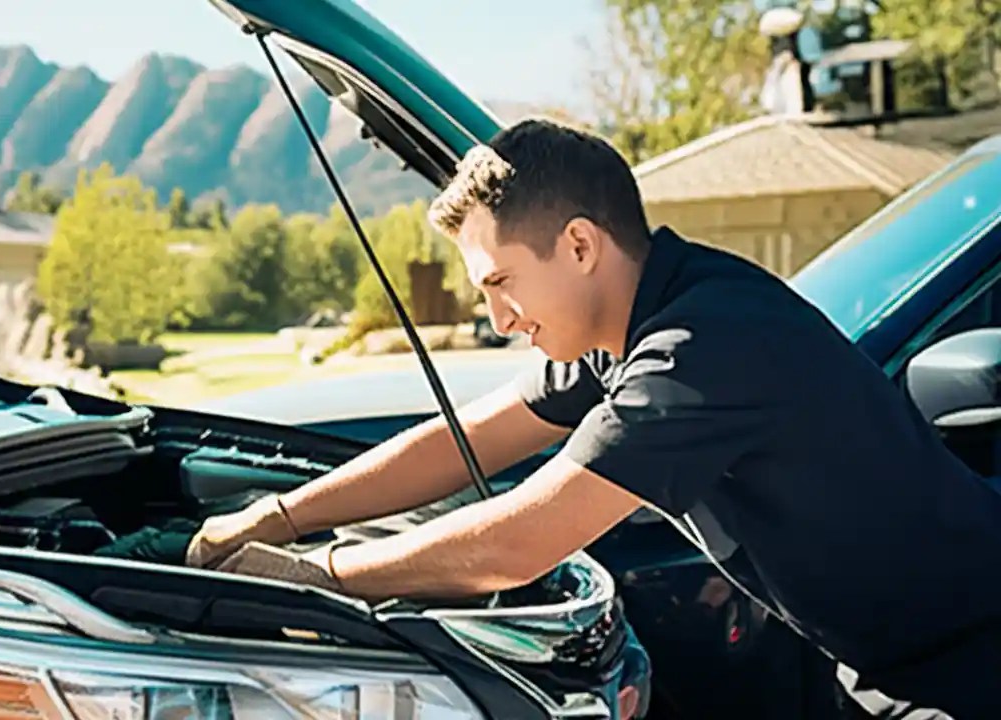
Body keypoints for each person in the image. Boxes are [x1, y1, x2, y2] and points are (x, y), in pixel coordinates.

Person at [185, 119, 1001, 719]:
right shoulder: (631, 327)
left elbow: (517, 543)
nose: (499, 318)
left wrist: (313, 579)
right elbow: (463, 443)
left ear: (579, 246)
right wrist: (276, 516)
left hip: (971, 671)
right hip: (884, 663)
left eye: (500, 282)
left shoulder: (702, 346)